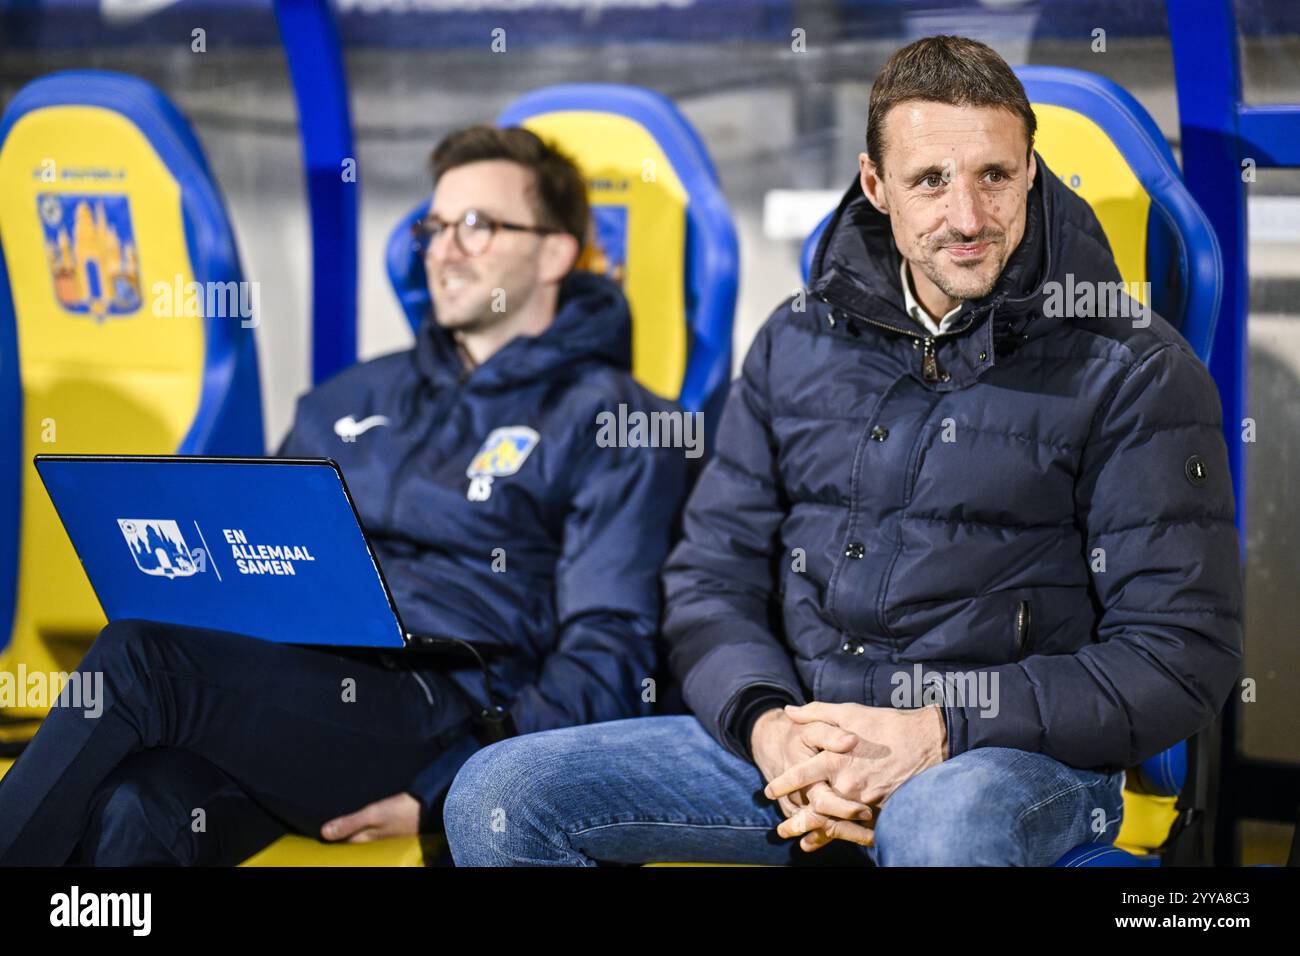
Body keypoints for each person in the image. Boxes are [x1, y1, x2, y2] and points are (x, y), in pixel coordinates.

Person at [441, 36, 1243, 867]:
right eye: (930, 179)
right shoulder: (795, 339)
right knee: (503, 794)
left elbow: (1180, 653)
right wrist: (767, 723)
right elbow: (712, 573)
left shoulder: (1137, 368)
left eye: (994, 176)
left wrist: (938, 730)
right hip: (803, 742)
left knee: (938, 828)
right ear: (874, 185)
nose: (966, 217)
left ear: (1031, 172)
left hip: (1011, 760)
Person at [0, 125, 686, 866]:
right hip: (292, 695)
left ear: (555, 251)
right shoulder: (350, 395)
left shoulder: (617, 422)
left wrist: (446, 785)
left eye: (478, 226)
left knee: (142, 661)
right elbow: (252, 553)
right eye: (433, 226)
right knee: (138, 810)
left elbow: (607, 650)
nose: (444, 248)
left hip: (444, 708)